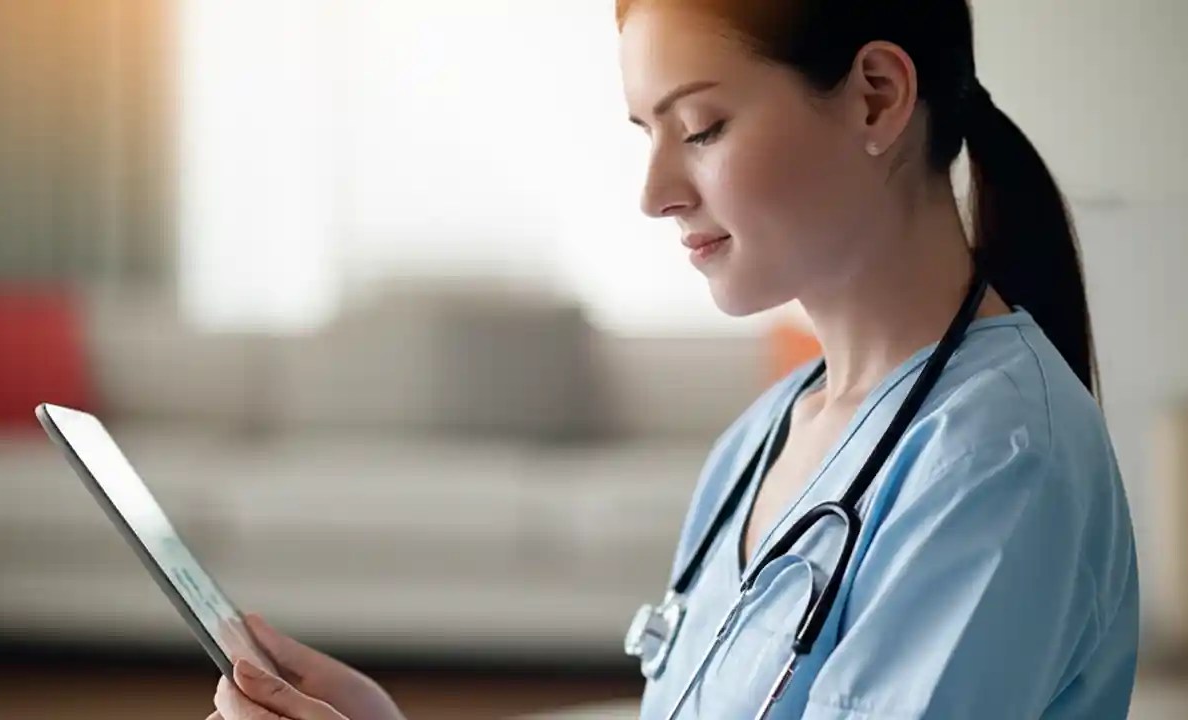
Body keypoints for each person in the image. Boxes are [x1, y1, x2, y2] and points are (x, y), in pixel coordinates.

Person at [208, 0, 1139, 718]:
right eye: (644, 136)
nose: (654, 192)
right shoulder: (758, 444)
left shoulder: (998, 461)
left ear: (877, 96)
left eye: (699, 128)